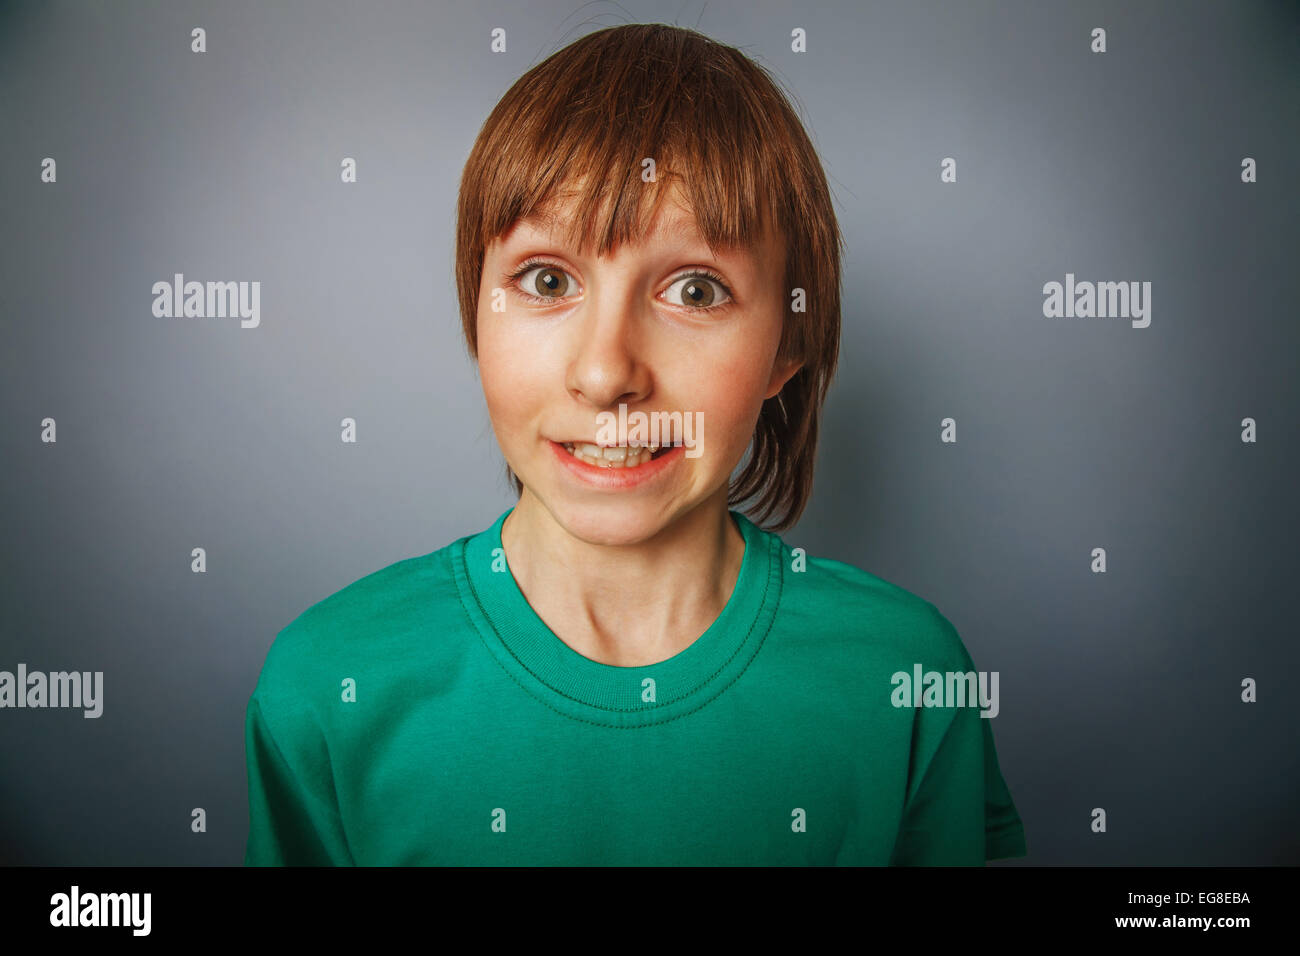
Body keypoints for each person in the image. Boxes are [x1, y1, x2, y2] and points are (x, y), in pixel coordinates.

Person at [244, 22, 1026, 865]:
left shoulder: (907, 678)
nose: (606, 371)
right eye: (547, 280)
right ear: (477, 308)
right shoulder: (328, 684)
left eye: (696, 290)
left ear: (786, 349)